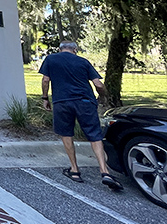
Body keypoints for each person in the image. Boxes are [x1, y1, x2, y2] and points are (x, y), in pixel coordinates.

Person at [40, 40, 123, 190]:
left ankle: (75, 170)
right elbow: (98, 84)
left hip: (62, 101)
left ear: (60, 50)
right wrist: (103, 97)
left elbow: (45, 80)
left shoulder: (51, 59)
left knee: (66, 134)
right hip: (85, 102)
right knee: (94, 135)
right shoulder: (83, 61)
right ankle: (105, 172)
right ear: (75, 50)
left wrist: (45, 98)